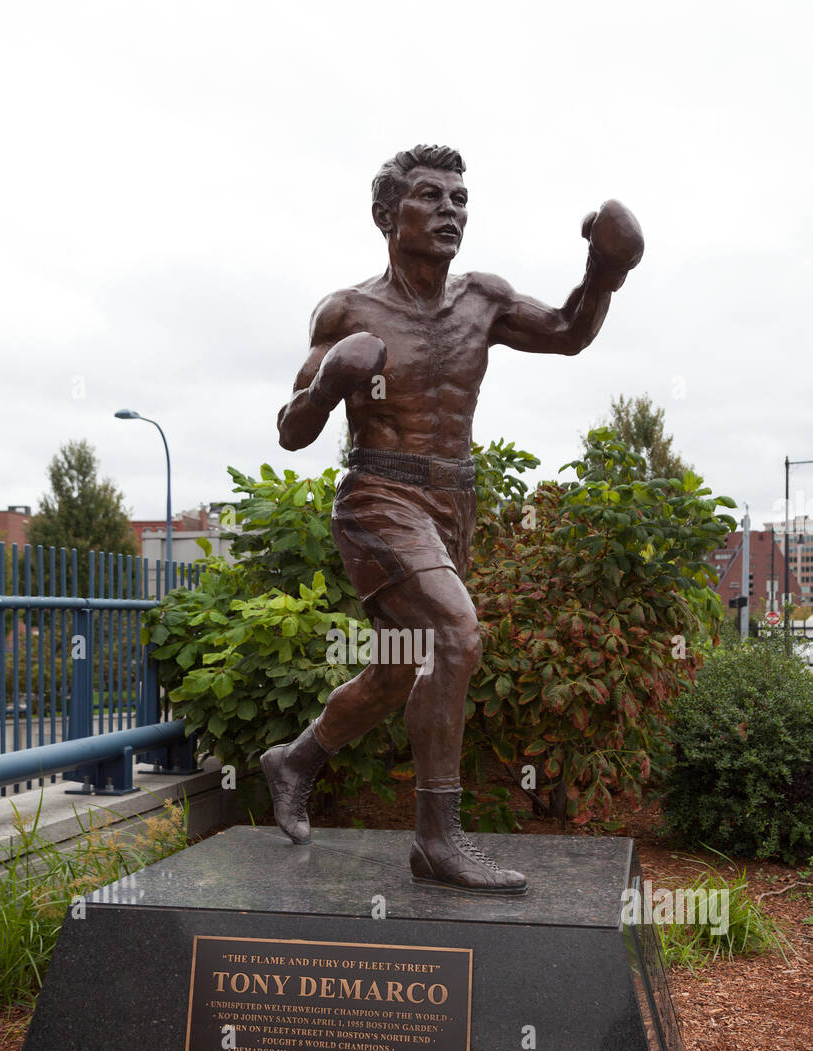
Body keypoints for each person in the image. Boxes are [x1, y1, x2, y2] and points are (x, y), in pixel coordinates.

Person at [262, 144, 643, 893]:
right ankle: (437, 840)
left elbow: (568, 330)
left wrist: (606, 272)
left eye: (459, 200)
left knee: (401, 666)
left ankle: (296, 759)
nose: (450, 211)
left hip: (453, 504)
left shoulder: (483, 301)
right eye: (430, 197)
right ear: (385, 216)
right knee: (456, 633)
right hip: (378, 496)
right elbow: (290, 429)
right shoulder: (349, 312)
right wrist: (332, 383)